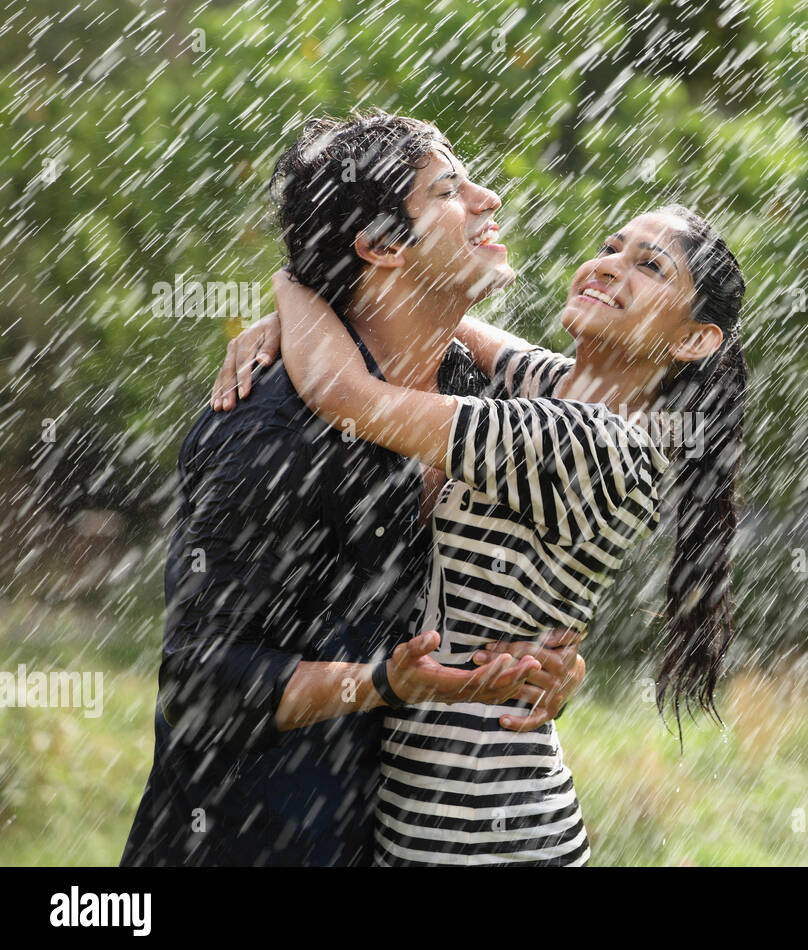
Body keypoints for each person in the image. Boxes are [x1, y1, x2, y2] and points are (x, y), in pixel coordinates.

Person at [121, 110, 586, 866]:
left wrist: (553, 664)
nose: (489, 198)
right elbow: (201, 681)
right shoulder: (268, 428)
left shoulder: (476, 400)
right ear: (380, 246)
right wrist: (380, 683)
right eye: (450, 189)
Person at [222, 198, 748, 864]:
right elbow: (455, 326)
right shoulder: (560, 387)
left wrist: (295, 284)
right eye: (611, 247)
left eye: (649, 266)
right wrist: (321, 305)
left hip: (484, 831)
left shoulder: (589, 441)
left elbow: (345, 396)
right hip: (437, 814)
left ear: (694, 339)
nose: (609, 267)